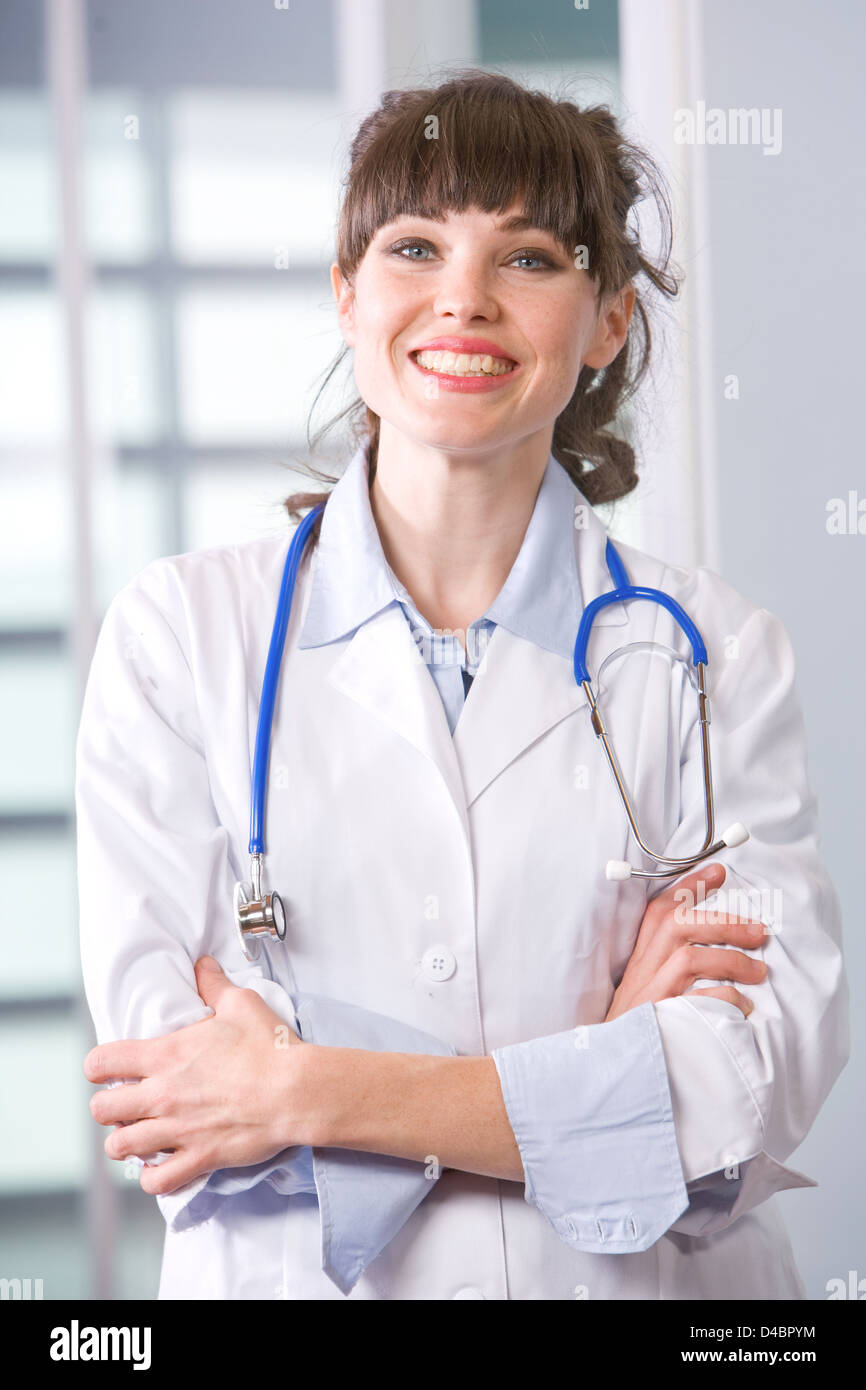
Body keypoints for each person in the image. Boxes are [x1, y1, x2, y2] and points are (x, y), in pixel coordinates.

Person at [76, 70, 848, 1300]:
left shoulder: (716, 655)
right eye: (415, 244)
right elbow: (188, 1124)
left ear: (604, 322)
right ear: (346, 294)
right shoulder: (180, 638)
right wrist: (597, 1070)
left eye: (529, 257)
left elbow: (739, 1102)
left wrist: (305, 1087)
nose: (463, 300)